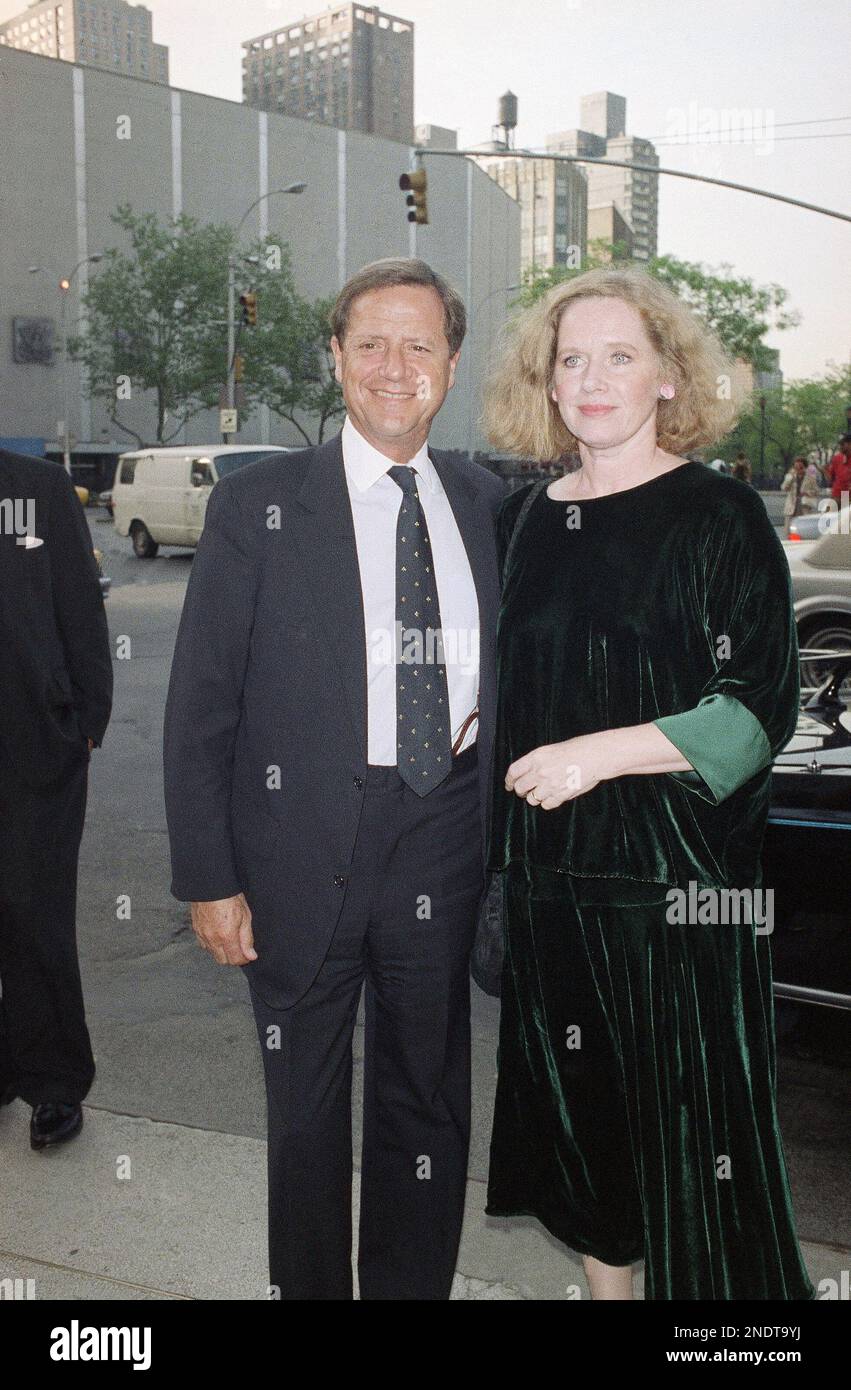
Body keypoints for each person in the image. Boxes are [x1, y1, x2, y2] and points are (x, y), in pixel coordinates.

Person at [163, 258, 504, 1300]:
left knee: (426, 1103)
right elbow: (200, 705)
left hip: (442, 831)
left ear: (449, 364)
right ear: (335, 359)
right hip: (294, 851)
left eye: (417, 345)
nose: (392, 366)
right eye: (370, 344)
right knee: (304, 1113)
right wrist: (208, 878)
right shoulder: (256, 504)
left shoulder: (492, 504)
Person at [481, 267, 815, 1301]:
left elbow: (755, 708)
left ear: (667, 375)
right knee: (585, 1153)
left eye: (618, 355)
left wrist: (599, 751)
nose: (590, 379)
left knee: (703, 1161)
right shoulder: (524, 519)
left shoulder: (717, 515)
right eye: (570, 358)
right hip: (550, 897)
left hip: (677, 898)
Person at [0, 450, 112, 1149]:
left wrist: (85, 723)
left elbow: (77, 600)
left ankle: (53, 1083)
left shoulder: (34, 488)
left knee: (35, 911)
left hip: (33, 744)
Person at [781, 455, 821, 533]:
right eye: (796, 467)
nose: (798, 469)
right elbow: (784, 488)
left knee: (803, 529)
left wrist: (807, 493)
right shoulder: (790, 476)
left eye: (801, 467)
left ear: (805, 467)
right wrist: (790, 478)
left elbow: (817, 491)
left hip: (804, 506)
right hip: (791, 506)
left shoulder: (810, 478)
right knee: (789, 530)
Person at [827, 433, 851, 508]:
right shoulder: (837, 458)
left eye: (843, 444)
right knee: (829, 517)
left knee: (845, 518)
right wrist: (824, 471)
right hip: (837, 494)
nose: (840, 447)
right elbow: (830, 478)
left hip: (848, 495)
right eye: (840, 444)